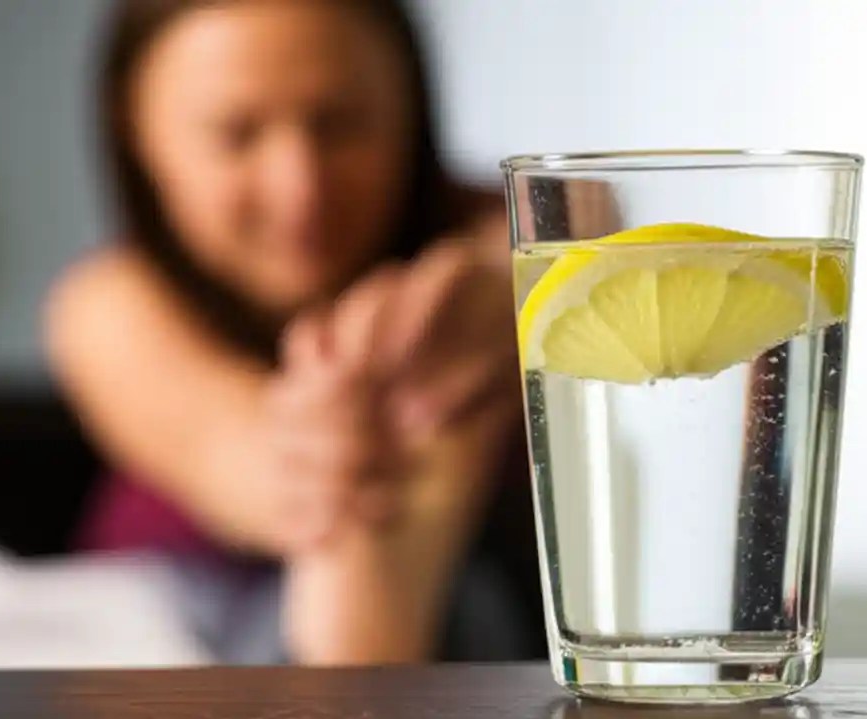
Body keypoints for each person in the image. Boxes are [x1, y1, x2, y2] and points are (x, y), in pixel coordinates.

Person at [44, 0, 540, 665]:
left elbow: (576, 230)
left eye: (340, 124)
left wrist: (506, 289)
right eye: (236, 134)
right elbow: (265, 469)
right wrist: (381, 412)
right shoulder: (107, 304)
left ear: (410, 113)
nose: (299, 186)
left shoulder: (529, 247)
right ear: (140, 139)